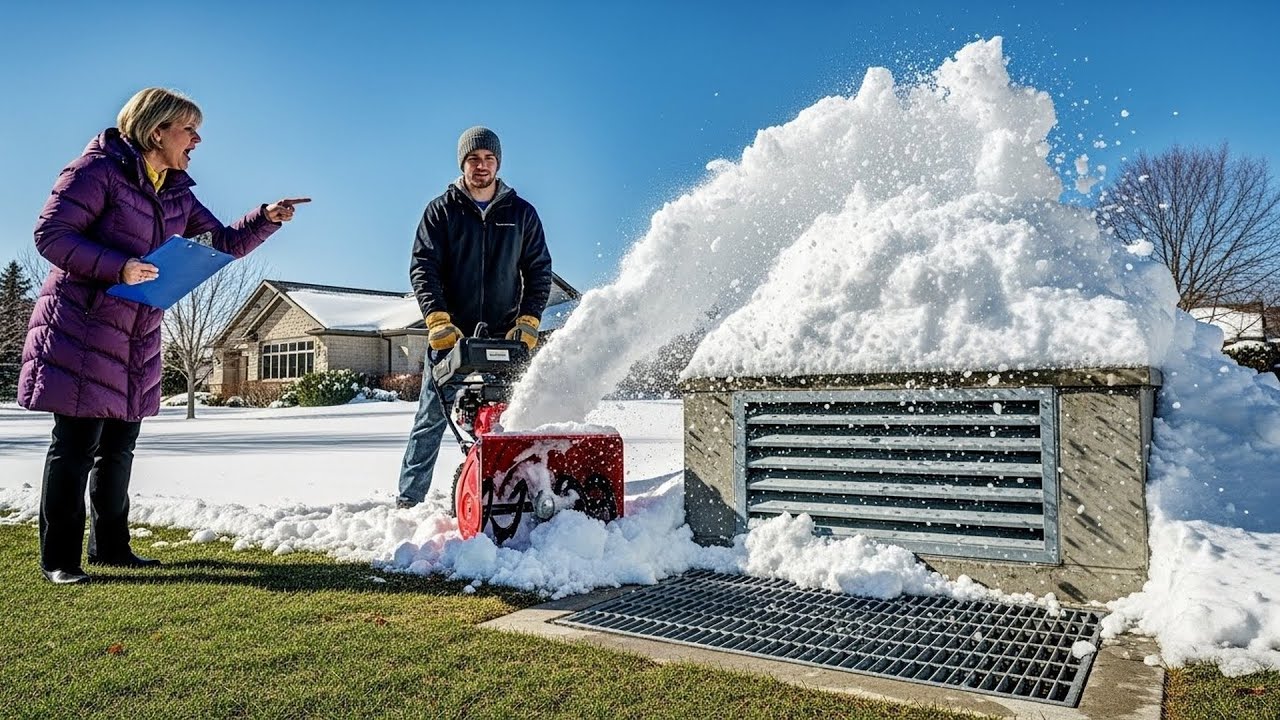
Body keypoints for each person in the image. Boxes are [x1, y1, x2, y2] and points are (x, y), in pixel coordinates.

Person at [18, 87, 309, 584]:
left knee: (119, 446)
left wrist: (264, 218)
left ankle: (112, 548)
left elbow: (219, 242)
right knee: (75, 445)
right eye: (189, 129)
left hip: (135, 331)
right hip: (82, 327)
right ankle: (60, 560)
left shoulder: (174, 191)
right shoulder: (95, 172)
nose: (197, 140)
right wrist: (119, 267)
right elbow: (52, 236)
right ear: (157, 131)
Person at [398, 126, 553, 509]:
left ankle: (512, 492)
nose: (481, 165)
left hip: (505, 337)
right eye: (473, 159)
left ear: (498, 163)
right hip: (452, 337)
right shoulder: (442, 211)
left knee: (511, 419)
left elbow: (539, 271)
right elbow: (423, 267)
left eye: (488, 158)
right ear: (462, 163)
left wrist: (528, 320)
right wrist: (437, 318)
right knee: (431, 418)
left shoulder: (522, 213)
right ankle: (409, 501)